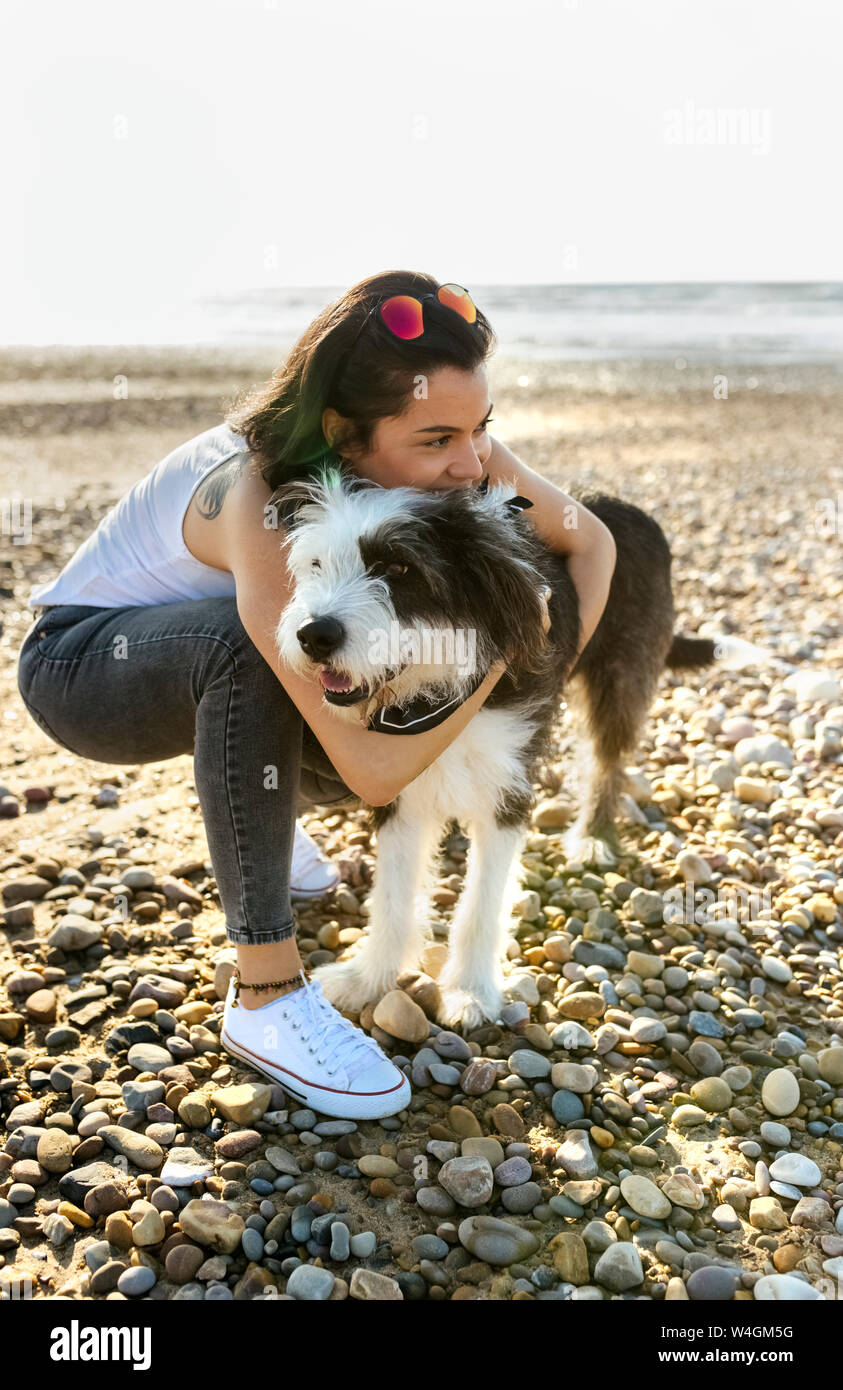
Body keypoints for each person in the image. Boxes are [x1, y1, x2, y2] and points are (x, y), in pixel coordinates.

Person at [16, 270, 616, 1119]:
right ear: (343, 431)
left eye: (481, 428)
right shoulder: (258, 491)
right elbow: (375, 777)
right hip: (81, 669)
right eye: (440, 436)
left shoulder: (454, 456)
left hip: (208, 672)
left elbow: (588, 544)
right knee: (270, 654)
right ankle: (265, 993)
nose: (472, 463)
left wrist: (540, 670)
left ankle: (266, 829)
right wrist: (495, 654)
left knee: (387, 687)